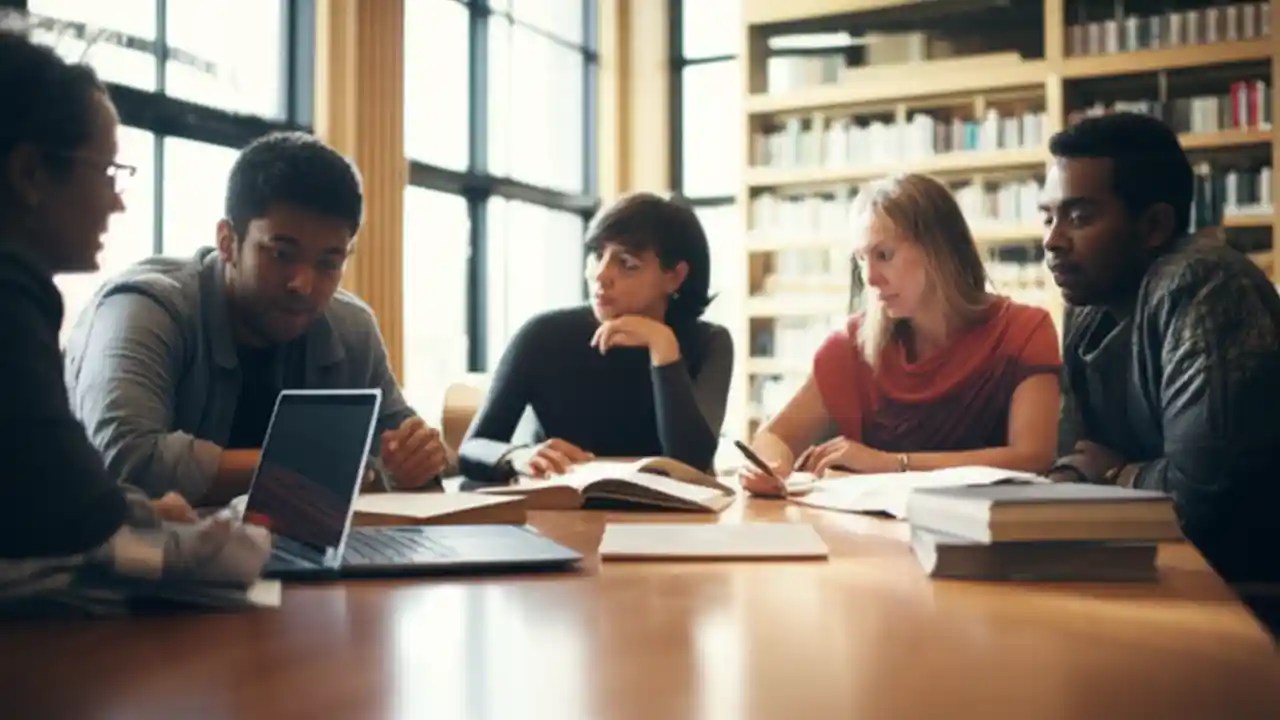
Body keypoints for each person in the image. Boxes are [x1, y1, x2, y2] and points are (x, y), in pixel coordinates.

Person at [0, 29, 267, 610]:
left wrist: (131, 512)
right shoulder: (12, 300)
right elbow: (73, 512)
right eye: (106, 173)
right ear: (29, 174)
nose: (117, 201)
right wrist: (142, 521)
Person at [64, 131, 452, 507]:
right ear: (227, 241)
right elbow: (127, 458)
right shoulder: (144, 308)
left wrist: (417, 459)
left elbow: (408, 456)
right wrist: (317, 466)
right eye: (281, 254)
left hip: (283, 549)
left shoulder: (351, 330)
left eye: (328, 263)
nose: (303, 284)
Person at [1040, 112, 1280, 588]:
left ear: (1154, 225)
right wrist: (1076, 481)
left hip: (1241, 592)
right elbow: (1073, 456)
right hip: (1151, 569)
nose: (1052, 240)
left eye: (1079, 217)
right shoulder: (1089, 302)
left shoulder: (1205, 285)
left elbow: (1197, 498)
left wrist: (1113, 471)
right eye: (1048, 217)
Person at [739, 173, 1062, 496]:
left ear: (938, 250)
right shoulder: (852, 346)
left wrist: (893, 463)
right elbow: (773, 437)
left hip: (990, 525)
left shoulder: (1024, 330)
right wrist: (771, 468)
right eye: (862, 259)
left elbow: (1032, 457)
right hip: (871, 526)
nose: (869, 278)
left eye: (884, 255)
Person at [459, 192, 734, 482]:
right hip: (556, 505)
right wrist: (517, 456)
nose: (601, 275)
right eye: (597, 255)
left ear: (675, 277)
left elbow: (691, 464)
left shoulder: (709, 343)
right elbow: (473, 447)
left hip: (664, 510)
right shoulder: (543, 334)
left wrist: (663, 348)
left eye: (627, 263)